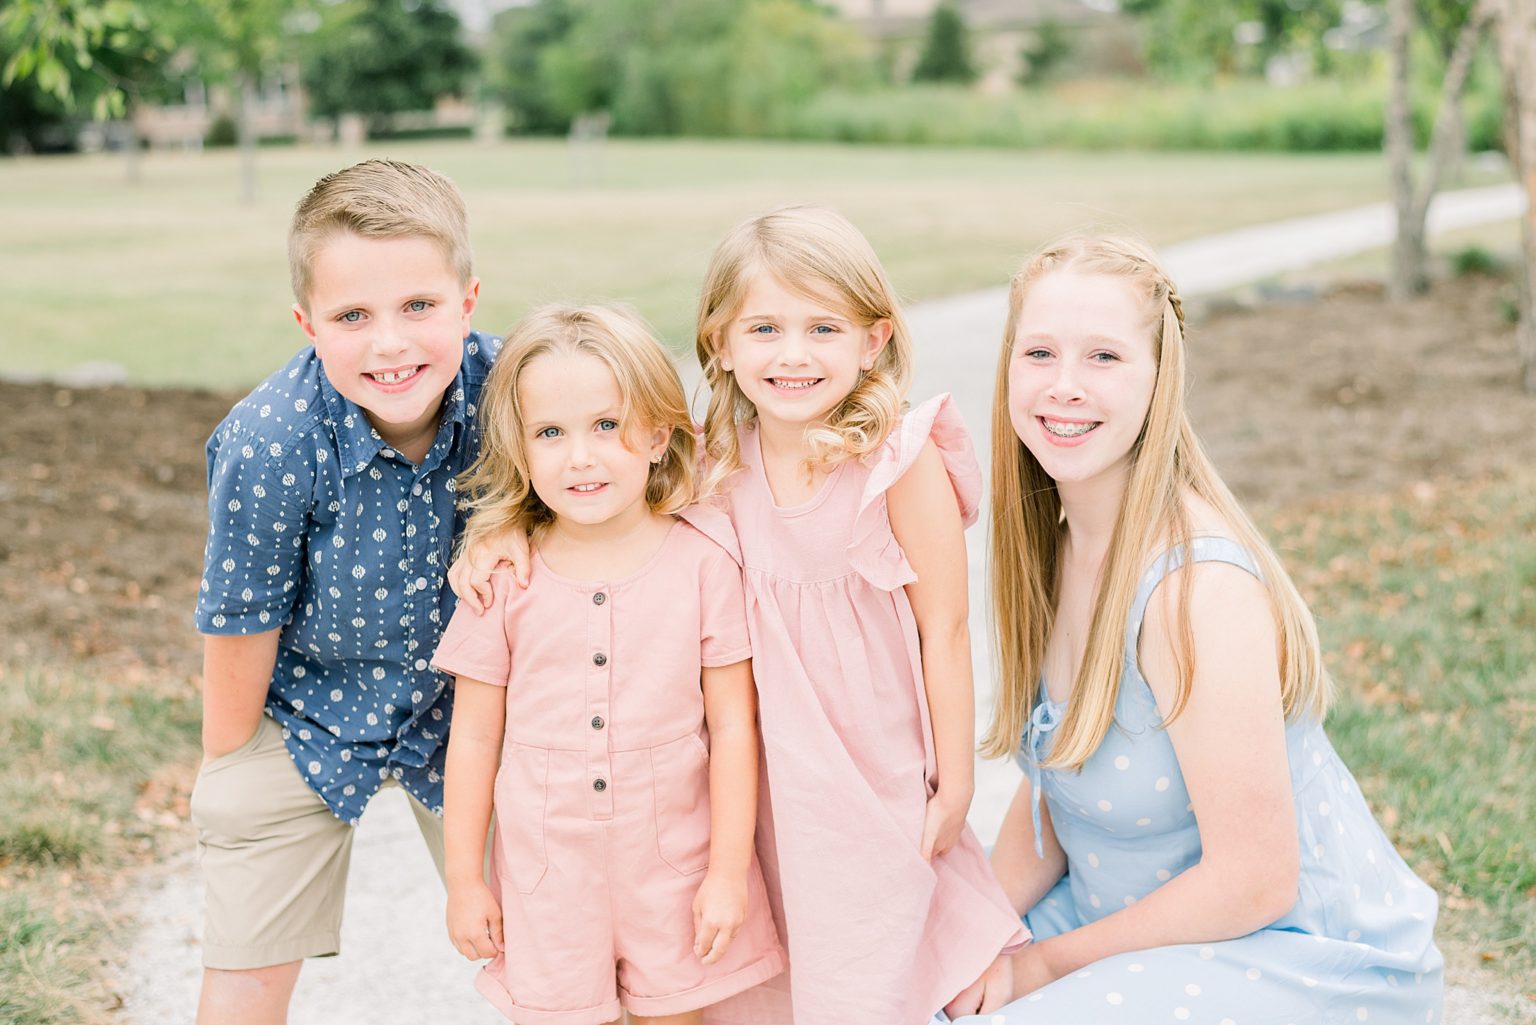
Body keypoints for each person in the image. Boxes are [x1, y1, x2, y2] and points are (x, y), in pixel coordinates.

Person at [452, 207, 1027, 1024]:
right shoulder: (718, 465)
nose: (793, 355)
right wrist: (506, 528)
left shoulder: (898, 462)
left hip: (869, 756)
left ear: (874, 340)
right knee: (781, 944)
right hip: (763, 762)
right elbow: (608, 507)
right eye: (764, 328)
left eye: (823, 327)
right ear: (720, 342)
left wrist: (957, 775)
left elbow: (946, 627)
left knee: (870, 934)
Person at [947, 234, 1442, 1022]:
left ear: (1159, 378)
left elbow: (1253, 880)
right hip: (1119, 922)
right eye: (1039, 352)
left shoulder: (1193, 586)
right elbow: (1055, 791)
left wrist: (1040, 962)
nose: (1064, 385)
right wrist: (977, 935)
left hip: (1282, 952)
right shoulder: (1058, 539)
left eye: (1104, 357)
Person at [190, 159, 496, 1024]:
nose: (390, 344)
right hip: (304, 707)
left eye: (419, 307)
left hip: (480, 705)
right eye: (353, 316)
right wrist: (230, 767)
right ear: (307, 322)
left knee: (557, 942)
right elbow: (240, 620)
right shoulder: (271, 439)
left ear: (468, 301)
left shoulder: (515, 390)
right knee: (246, 965)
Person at [432, 304, 785, 1025]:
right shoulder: (503, 575)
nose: (580, 457)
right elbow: (471, 738)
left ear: (658, 434)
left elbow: (734, 727)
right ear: (521, 449)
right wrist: (465, 879)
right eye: (550, 433)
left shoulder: (703, 561)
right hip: (548, 876)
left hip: (674, 871)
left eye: (605, 425)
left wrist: (725, 871)